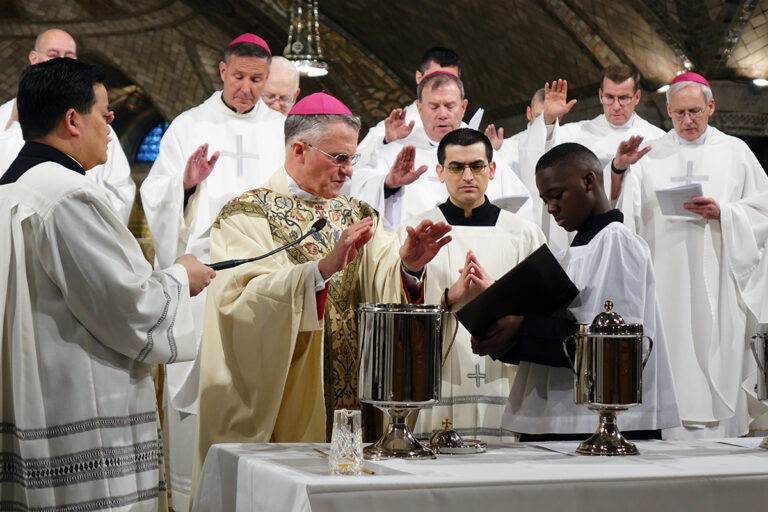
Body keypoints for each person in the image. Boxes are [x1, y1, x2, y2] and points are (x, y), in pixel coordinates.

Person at [193, 92, 451, 488]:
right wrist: (320, 271)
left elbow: (385, 277)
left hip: (358, 406)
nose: (349, 172)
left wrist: (410, 265)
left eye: (352, 159)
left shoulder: (358, 213)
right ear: (299, 149)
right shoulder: (246, 214)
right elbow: (239, 303)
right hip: (289, 405)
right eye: (339, 158)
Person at [0, 58, 214, 511]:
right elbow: (131, 306)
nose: (112, 125)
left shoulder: (13, 188)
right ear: (72, 120)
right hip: (79, 404)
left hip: (35, 393)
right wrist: (181, 277)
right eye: (105, 112)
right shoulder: (69, 196)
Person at [139, 32, 285, 512]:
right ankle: (191, 494)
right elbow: (155, 197)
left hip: (264, 278)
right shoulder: (188, 125)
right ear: (222, 71)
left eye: (257, 80)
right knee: (198, 390)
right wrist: (185, 184)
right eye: (239, 77)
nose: (247, 88)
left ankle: (258, 494)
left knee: (257, 385)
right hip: (205, 274)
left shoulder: (282, 129)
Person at [471, 143, 680, 440]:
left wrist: (522, 328)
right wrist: (502, 339)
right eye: (545, 200)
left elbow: (613, 344)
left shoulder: (617, 243)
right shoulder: (569, 253)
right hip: (555, 415)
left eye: (556, 195)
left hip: (600, 420)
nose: (551, 207)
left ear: (589, 181)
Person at [612, 72, 768, 438]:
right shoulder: (652, 153)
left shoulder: (735, 151)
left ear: (711, 107)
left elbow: (763, 209)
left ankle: (725, 436)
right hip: (667, 276)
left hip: (720, 273)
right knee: (674, 351)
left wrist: (725, 213)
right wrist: (620, 169)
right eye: (678, 113)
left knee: (720, 347)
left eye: (695, 111)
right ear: (667, 110)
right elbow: (624, 211)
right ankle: (670, 435)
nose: (687, 121)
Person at [396, 128, 545, 442]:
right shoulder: (417, 232)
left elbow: (545, 312)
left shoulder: (523, 234)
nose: (467, 175)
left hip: (505, 381)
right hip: (437, 379)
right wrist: (443, 293)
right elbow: (396, 310)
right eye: (456, 167)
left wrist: (498, 295)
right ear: (440, 172)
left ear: (492, 170)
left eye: (477, 166)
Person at [351, 71, 531, 230]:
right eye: (434, 107)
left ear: (463, 107)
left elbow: (521, 208)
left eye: (450, 106)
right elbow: (359, 188)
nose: (443, 114)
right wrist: (388, 184)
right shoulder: (395, 153)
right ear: (420, 109)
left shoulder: (481, 151)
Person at [0, 28, 135, 225]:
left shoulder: (98, 128)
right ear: (34, 59)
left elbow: (119, 190)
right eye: (53, 55)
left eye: (69, 56)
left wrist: (87, 219)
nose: (61, 62)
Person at [356, 46, 463, 167]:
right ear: (419, 77)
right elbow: (354, 174)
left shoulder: (468, 131)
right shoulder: (388, 132)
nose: (441, 86)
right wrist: (387, 143)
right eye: (434, 78)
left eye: (449, 80)